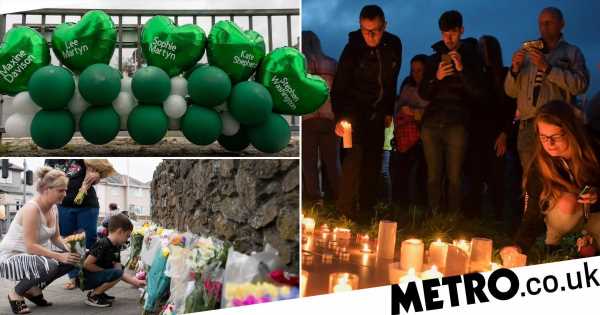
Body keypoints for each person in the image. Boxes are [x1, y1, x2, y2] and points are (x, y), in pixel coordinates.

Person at [500, 101, 600, 259]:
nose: (549, 143)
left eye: (556, 136)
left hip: (593, 214)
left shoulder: (593, 149)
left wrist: (597, 193)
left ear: (571, 131)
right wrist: (519, 246)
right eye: (543, 137)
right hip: (564, 215)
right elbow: (531, 212)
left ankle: (587, 242)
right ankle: (553, 241)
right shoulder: (540, 165)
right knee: (568, 201)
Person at [332, 4, 402, 223]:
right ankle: (345, 211)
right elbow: (339, 87)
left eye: (376, 30)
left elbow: (391, 81)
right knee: (353, 160)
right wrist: (340, 119)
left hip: (378, 114)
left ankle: (365, 212)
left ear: (385, 26)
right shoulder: (352, 49)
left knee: (373, 162)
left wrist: (389, 109)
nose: (371, 36)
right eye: (365, 30)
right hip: (353, 114)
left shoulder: (394, 45)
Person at [505, 6, 589, 171]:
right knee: (530, 179)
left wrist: (548, 69)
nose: (544, 27)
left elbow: (581, 85)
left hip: (556, 126)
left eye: (549, 22)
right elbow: (510, 91)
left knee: (557, 174)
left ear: (561, 24)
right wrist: (514, 70)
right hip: (528, 126)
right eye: (541, 23)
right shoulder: (527, 53)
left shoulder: (571, 52)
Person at [418, 10, 485, 215]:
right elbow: (424, 93)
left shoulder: (473, 58)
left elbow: (479, 92)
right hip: (432, 123)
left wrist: (462, 69)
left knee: (455, 175)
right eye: (444, 33)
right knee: (433, 175)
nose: (448, 38)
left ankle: (453, 218)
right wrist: (435, 77)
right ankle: (435, 216)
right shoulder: (433, 59)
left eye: (453, 33)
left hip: (457, 123)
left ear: (461, 31)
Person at [0, 167, 80, 314]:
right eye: (61, 190)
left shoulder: (54, 208)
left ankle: (33, 289)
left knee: (75, 258)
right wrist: (59, 256)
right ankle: (16, 293)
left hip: (34, 258)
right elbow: (30, 246)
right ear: (46, 189)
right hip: (10, 258)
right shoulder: (32, 209)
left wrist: (72, 249)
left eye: (65, 190)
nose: (65, 194)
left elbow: (56, 238)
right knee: (50, 264)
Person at [463, 35, 518, 219]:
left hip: (496, 133)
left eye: (484, 48)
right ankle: (473, 218)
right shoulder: (475, 75)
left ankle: (497, 217)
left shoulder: (503, 74)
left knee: (496, 177)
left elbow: (510, 106)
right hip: (476, 133)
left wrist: (504, 133)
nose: (481, 52)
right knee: (475, 176)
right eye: (479, 48)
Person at [45, 159, 100, 290]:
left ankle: (89, 275)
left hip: (87, 205)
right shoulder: (51, 158)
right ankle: (74, 276)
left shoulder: (83, 156)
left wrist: (96, 176)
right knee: (68, 242)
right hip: (63, 206)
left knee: (89, 241)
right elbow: (46, 180)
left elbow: (97, 174)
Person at [301, 30, 341, 204]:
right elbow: (340, 92)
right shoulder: (333, 63)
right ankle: (341, 198)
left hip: (307, 118)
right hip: (329, 117)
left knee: (309, 163)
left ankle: (316, 199)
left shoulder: (299, 65)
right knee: (333, 162)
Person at [391, 54, 429, 209]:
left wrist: (415, 112)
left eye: (420, 70)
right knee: (401, 173)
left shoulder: (431, 89)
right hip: (405, 137)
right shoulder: (407, 88)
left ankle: (420, 207)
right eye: (413, 71)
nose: (416, 74)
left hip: (424, 138)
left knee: (422, 174)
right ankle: (401, 206)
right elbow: (398, 109)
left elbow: (432, 111)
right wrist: (401, 112)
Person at [82, 213, 145, 307]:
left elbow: (118, 270)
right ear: (120, 231)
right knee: (115, 272)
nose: (127, 240)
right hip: (85, 278)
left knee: (118, 270)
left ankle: (100, 292)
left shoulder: (116, 246)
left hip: (96, 275)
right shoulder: (103, 244)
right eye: (127, 235)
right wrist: (106, 272)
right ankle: (94, 296)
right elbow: (87, 264)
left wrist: (134, 281)